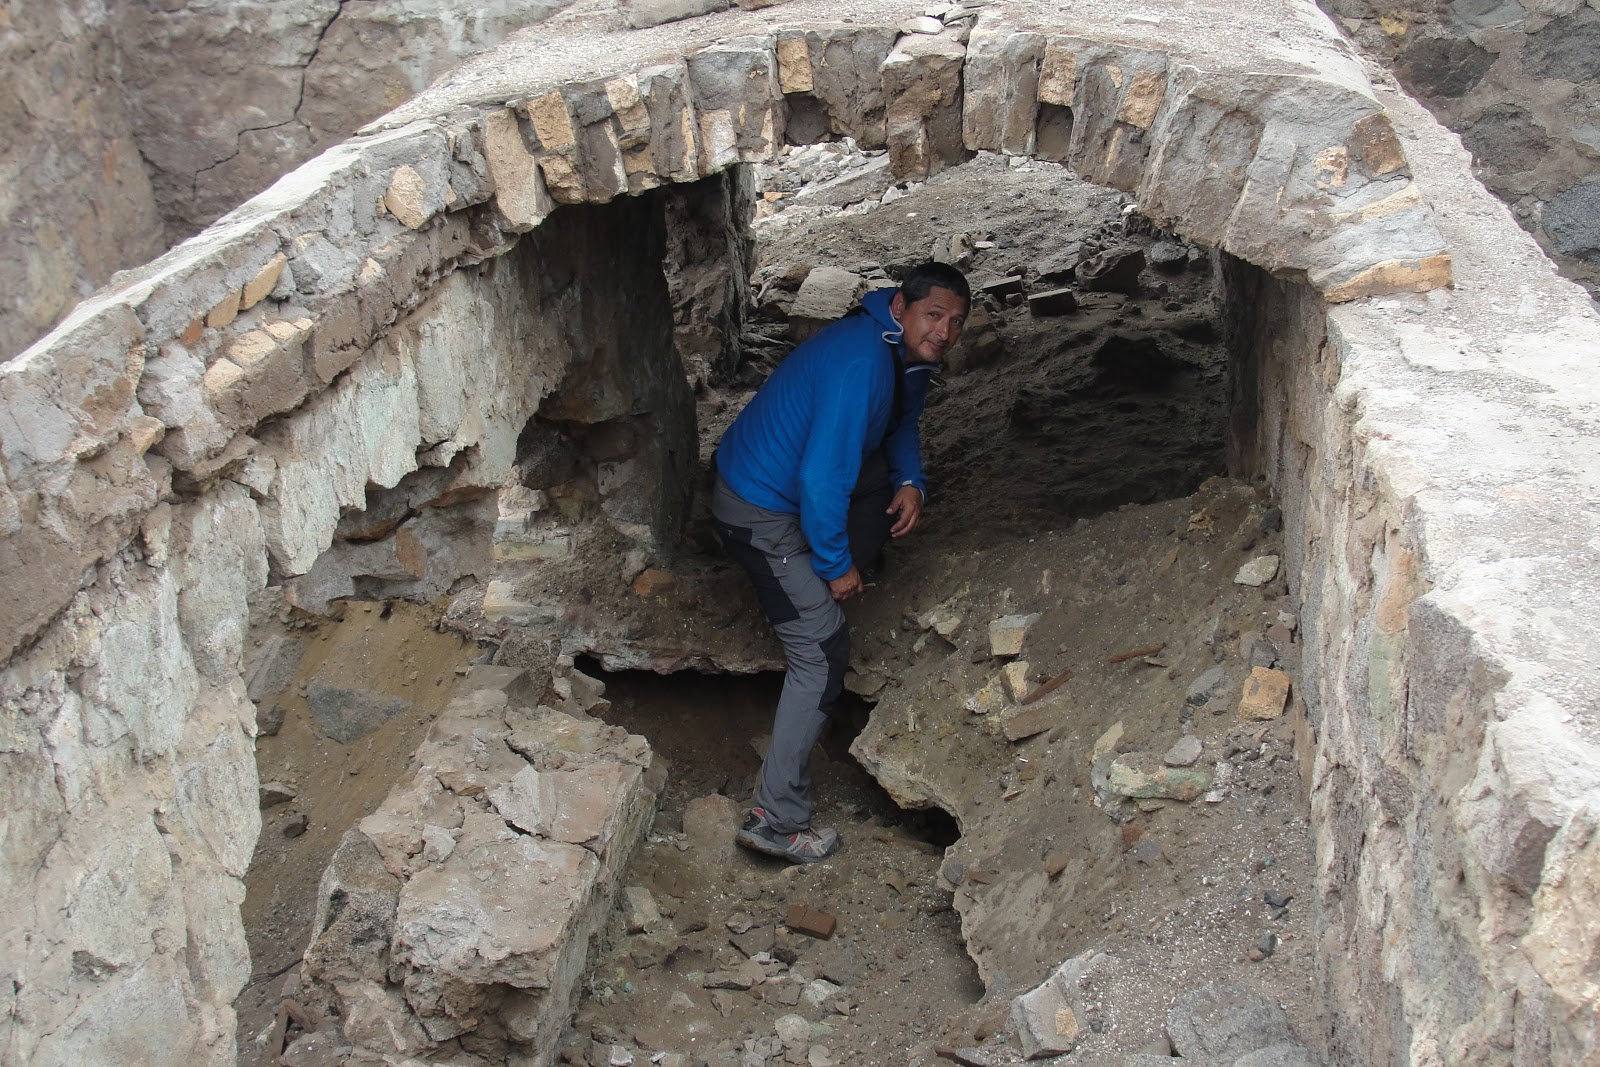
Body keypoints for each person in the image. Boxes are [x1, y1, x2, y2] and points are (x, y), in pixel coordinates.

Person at [712, 261, 970, 863]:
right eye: (934, 316)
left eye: (957, 323)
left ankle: (826, 565)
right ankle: (776, 821)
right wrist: (833, 566)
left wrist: (913, 479)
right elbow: (822, 476)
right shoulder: (862, 362)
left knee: (881, 476)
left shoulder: (901, 349)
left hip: (784, 491)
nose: (945, 333)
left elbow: (902, 423)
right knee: (823, 649)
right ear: (902, 308)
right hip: (755, 511)